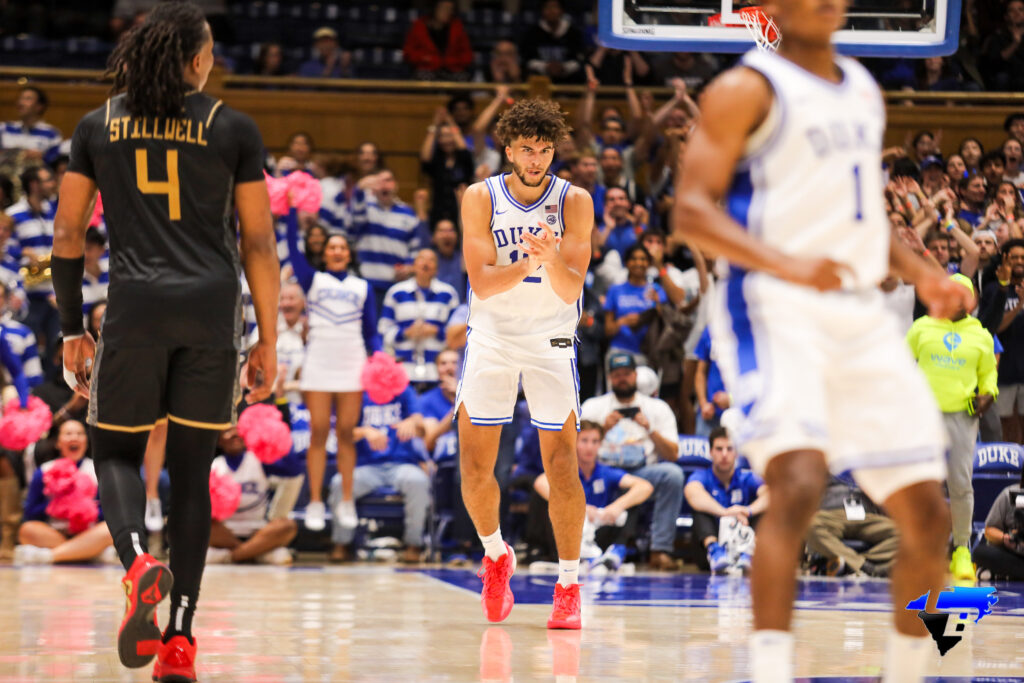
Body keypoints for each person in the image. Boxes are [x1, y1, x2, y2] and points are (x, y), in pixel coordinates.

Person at [672, 1, 972, 680]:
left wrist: (928, 275)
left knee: (930, 513)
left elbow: (864, 219)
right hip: (771, 306)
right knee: (800, 479)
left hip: (858, 311)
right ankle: (771, 670)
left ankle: (909, 670)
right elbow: (690, 209)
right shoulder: (743, 88)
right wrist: (788, 263)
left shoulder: (862, 87)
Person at [52, 3, 281, 679]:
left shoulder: (97, 125)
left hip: (137, 306)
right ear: (196, 60)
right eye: (207, 52)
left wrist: (71, 326)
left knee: (116, 450)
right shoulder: (232, 126)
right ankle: (179, 641)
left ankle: (136, 559)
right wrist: (268, 337)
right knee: (190, 469)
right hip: (212, 310)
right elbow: (260, 240)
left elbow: (67, 236)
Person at [457, 98, 592, 629]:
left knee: (561, 464)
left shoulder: (574, 200)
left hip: (550, 339)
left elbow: (570, 289)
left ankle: (568, 584)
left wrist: (552, 259)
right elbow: (483, 283)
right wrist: (527, 261)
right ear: (508, 150)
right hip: (491, 337)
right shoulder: (480, 197)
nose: (536, 159)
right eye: (526, 150)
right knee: (474, 468)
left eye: (544, 150)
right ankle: (495, 554)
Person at [283, 208, 378, 534]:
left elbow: (371, 332)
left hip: (351, 362)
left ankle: (347, 499)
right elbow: (293, 250)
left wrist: (377, 361)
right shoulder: (312, 279)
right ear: (323, 253)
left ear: (349, 253)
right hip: (319, 361)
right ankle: (314, 501)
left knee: (347, 435)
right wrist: (292, 212)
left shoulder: (363, 287)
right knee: (319, 432)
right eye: (331, 247)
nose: (336, 251)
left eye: (342, 247)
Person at [906, 273, 999, 583]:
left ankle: (961, 549)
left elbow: (988, 376)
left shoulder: (981, 335)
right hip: (923, 415)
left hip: (962, 415)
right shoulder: (921, 327)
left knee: (960, 484)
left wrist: (988, 395)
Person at [580, 353, 684, 571]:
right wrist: (603, 428)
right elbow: (575, 446)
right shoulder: (594, 406)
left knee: (673, 474)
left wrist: (649, 429)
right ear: (609, 378)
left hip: (641, 472)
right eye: (617, 375)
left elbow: (673, 454)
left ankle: (660, 550)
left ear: (636, 375)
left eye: (626, 374)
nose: (622, 379)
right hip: (603, 472)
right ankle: (582, 546)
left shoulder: (656, 408)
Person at [327, 355, 427, 564]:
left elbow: (421, 425)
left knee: (419, 482)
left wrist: (412, 422)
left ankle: (413, 544)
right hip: (367, 467)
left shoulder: (404, 391)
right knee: (338, 483)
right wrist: (365, 431)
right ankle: (341, 543)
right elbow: (344, 432)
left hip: (402, 464)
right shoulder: (359, 396)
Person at [534, 420, 653, 573]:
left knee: (631, 501)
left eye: (595, 441)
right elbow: (539, 482)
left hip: (599, 528)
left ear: (600, 445)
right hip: (571, 532)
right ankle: (569, 557)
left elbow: (645, 486)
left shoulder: (605, 471)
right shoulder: (566, 471)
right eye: (584, 441)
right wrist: (581, 508)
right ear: (575, 442)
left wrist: (616, 507)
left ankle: (615, 551)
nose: (590, 447)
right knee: (546, 499)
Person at [14, 420, 115, 564]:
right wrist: (56, 504)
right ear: (58, 442)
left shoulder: (97, 470)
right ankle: (86, 553)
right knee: (26, 530)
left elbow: (109, 513)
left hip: (88, 533)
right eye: (68, 434)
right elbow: (29, 514)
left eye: (80, 434)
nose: (74, 437)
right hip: (54, 534)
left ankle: (51, 556)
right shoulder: (44, 471)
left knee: (109, 530)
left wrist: (83, 506)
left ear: (86, 441)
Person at [205, 426, 298, 566]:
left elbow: (293, 469)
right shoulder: (213, 466)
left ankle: (232, 556)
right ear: (218, 441)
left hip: (259, 531)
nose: (235, 435)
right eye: (228, 432)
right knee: (201, 523)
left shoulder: (260, 461)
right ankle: (256, 553)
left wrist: (273, 435)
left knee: (288, 525)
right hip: (225, 531)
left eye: (239, 431)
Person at [685, 427, 767, 573]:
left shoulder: (746, 477)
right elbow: (692, 493)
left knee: (764, 510)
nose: (724, 454)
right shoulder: (703, 476)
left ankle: (749, 553)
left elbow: (770, 495)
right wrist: (724, 512)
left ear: (736, 453)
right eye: (719, 449)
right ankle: (714, 551)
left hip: (742, 541)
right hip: (709, 548)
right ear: (710, 452)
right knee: (699, 510)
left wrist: (747, 511)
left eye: (729, 449)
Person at [379, 249, 459, 388]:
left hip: (438, 373)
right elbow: (383, 331)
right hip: (403, 371)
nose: (426, 263)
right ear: (413, 265)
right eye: (421, 259)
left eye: (431, 260)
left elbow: (457, 335)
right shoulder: (396, 292)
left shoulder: (448, 294)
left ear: (437, 269)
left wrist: (436, 331)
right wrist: (405, 333)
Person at [806, 476, 900, 578]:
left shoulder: (871, 468)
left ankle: (851, 565)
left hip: (868, 516)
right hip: (830, 515)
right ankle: (869, 568)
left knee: (906, 533)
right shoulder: (823, 465)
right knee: (808, 524)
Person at [972, 469, 1024, 581]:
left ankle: (1002, 575)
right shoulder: (1008, 494)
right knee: (980, 553)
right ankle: (1012, 575)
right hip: (1013, 554)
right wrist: (1004, 538)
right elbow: (989, 531)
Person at [402, 0, 473, 81]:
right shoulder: (419, 26)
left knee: (463, 79)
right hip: (427, 69)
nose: (448, 12)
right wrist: (427, 59)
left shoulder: (457, 27)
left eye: (450, 9)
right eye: (444, 8)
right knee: (423, 79)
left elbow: (467, 55)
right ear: (434, 9)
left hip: (452, 70)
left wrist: (450, 61)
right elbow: (408, 53)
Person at [0, 86, 63, 165]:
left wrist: (42, 156)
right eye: (20, 98)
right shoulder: (4, 128)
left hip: (35, 174)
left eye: (27, 99)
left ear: (39, 106)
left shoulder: (52, 133)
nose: (21, 103)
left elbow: (55, 162)